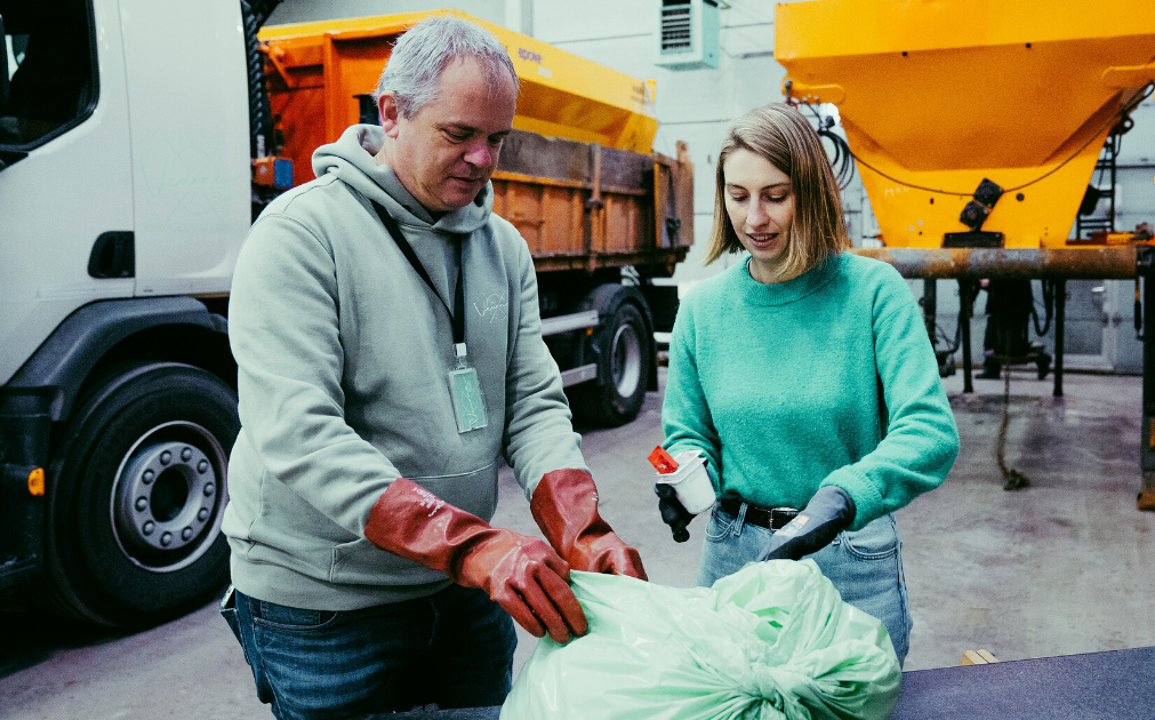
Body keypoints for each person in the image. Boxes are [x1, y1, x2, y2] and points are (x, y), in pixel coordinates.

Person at [219, 15, 645, 719]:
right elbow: (301, 435)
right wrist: (476, 548)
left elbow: (533, 401)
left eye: (496, 139)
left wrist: (582, 530)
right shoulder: (301, 237)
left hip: (460, 597)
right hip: (325, 613)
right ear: (392, 113)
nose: (482, 159)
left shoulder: (502, 248)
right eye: (459, 135)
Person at [655, 102, 959, 665]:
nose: (755, 219)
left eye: (776, 195)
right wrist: (686, 476)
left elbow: (929, 431)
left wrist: (844, 497)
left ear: (812, 193)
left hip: (848, 553)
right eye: (738, 195)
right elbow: (687, 432)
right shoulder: (703, 311)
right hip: (735, 559)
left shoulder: (872, 293)